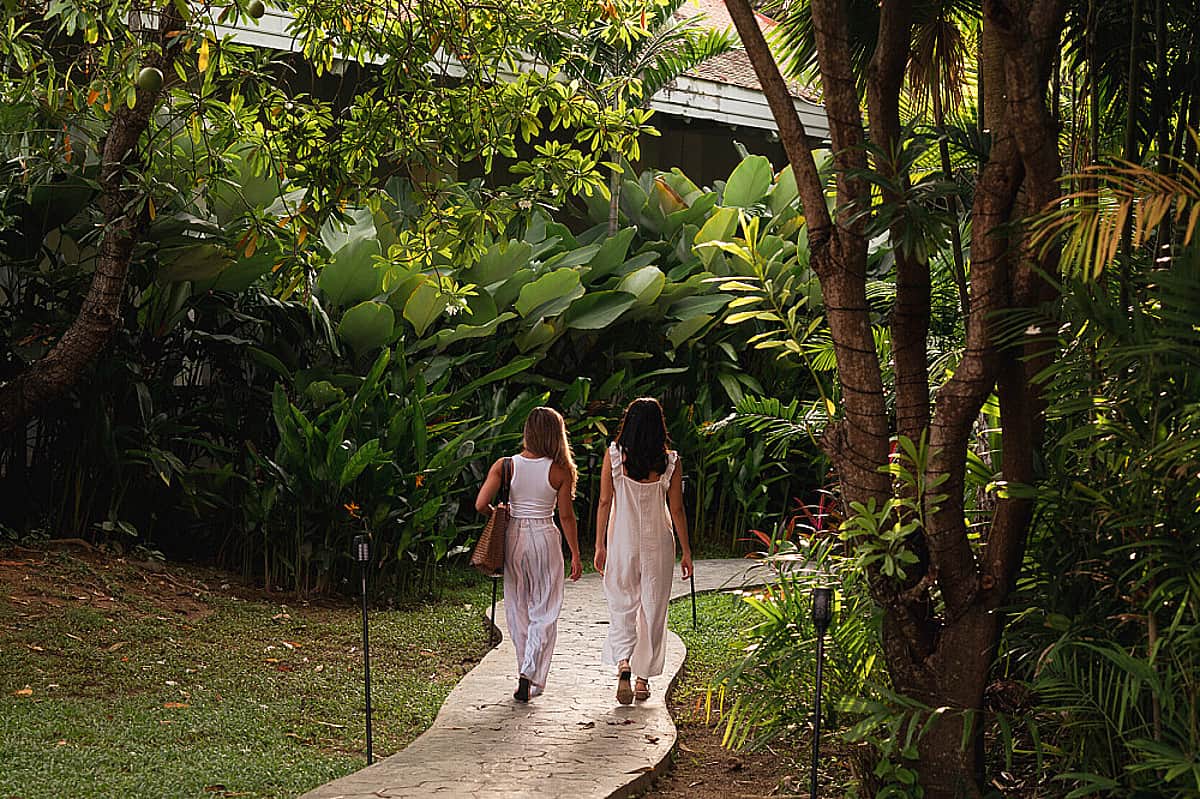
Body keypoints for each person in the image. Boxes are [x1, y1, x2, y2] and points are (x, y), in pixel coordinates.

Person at [475, 407, 583, 702]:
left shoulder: (505, 465)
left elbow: (481, 504)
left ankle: (524, 668)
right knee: (545, 609)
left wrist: (498, 514)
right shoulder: (560, 470)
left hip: (513, 536)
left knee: (517, 607)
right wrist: (575, 554)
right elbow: (566, 516)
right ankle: (530, 672)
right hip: (545, 535)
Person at [593, 397, 693, 704]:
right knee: (653, 608)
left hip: (622, 540)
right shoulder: (670, 462)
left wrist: (599, 545)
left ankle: (623, 661)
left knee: (622, 603)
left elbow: (604, 502)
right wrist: (687, 552)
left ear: (629, 424)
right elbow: (677, 509)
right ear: (659, 426)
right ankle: (642, 680)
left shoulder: (614, 456)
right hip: (658, 543)